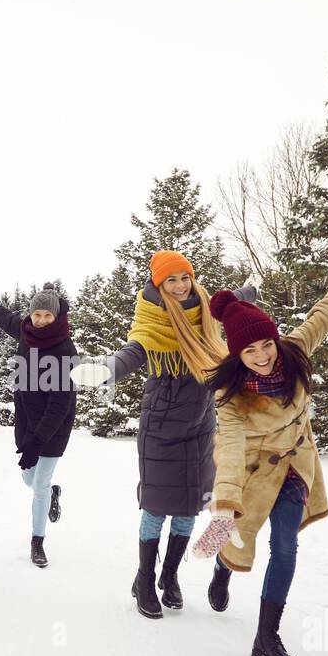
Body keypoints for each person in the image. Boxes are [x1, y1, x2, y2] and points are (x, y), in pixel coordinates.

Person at [193, 207, 328, 656]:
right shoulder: (232, 396)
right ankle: (224, 565)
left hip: (297, 467)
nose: (261, 356)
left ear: (274, 339)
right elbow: (231, 450)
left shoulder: (296, 350)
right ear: (237, 354)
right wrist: (224, 503)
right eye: (250, 350)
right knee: (240, 538)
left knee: (286, 546)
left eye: (265, 345)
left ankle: (267, 638)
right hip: (256, 475)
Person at [70, 252, 256, 619]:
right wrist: (103, 371)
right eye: (171, 280)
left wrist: (247, 292)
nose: (180, 285)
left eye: (184, 277)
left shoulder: (203, 307)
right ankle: (145, 577)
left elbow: (228, 302)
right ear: (158, 284)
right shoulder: (152, 322)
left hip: (201, 426)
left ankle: (169, 576)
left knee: (189, 506)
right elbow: (131, 352)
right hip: (162, 427)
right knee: (156, 507)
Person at [0, 283, 77, 568]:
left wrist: (37, 442)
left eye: (46, 315)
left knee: (38, 483)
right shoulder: (26, 332)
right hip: (27, 421)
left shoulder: (65, 349)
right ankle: (53, 491)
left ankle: (37, 542)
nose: (40, 320)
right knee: (29, 480)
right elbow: (6, 318)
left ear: (56, 317)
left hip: (54, 427)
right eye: (36, 314)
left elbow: (60, 404)